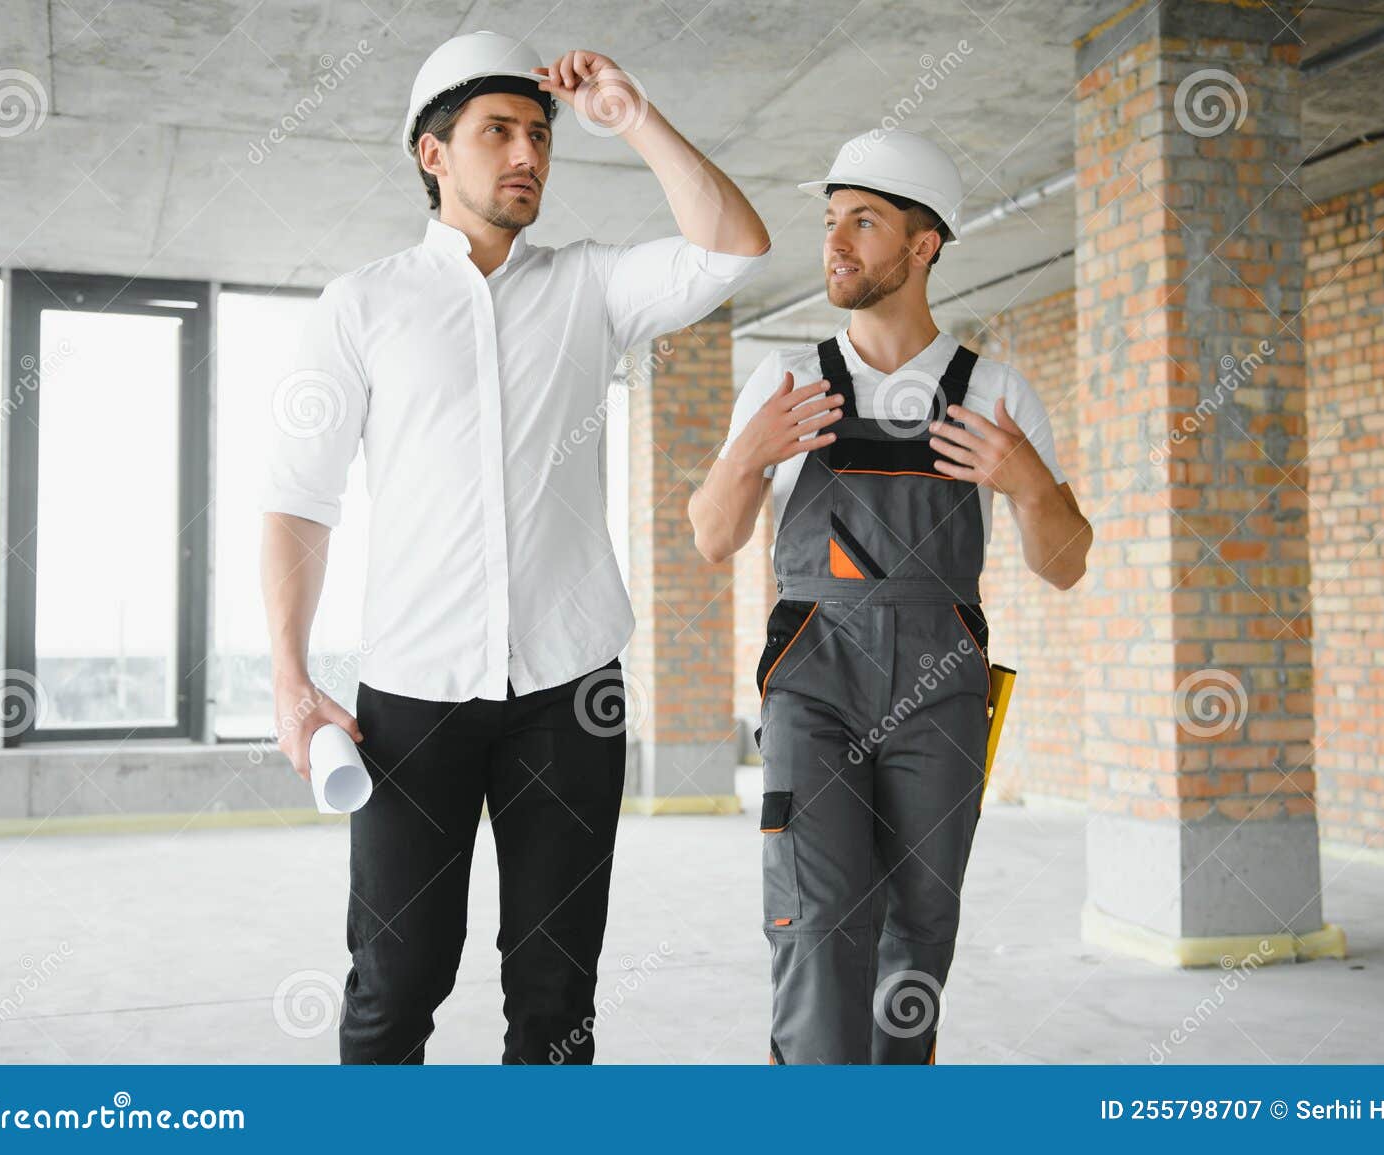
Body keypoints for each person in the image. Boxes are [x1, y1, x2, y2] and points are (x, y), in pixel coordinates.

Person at [260, 31, 770, 1064]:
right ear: (432, 153)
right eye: (498, 132)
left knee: (556, 989)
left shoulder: (592, 287)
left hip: (570, 693)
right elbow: (296, 502)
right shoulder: (362, 306)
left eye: (539, 134)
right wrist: (289, 678)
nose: (528, 152)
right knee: (395, 983)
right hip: (413, 694)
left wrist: (632, 119)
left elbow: (734, 251)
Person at [688, 129, 1090, 1064]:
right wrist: (750, 451)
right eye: (830, 221)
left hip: (943, 681)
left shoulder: (995, 392)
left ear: (923, 245)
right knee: (816, 923)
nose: (835, 242)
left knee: (917, 937)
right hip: (813, 674)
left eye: (862, 222)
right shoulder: (786, 381)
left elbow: (1066, 564)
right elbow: (712, 537)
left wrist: (1028, 481)